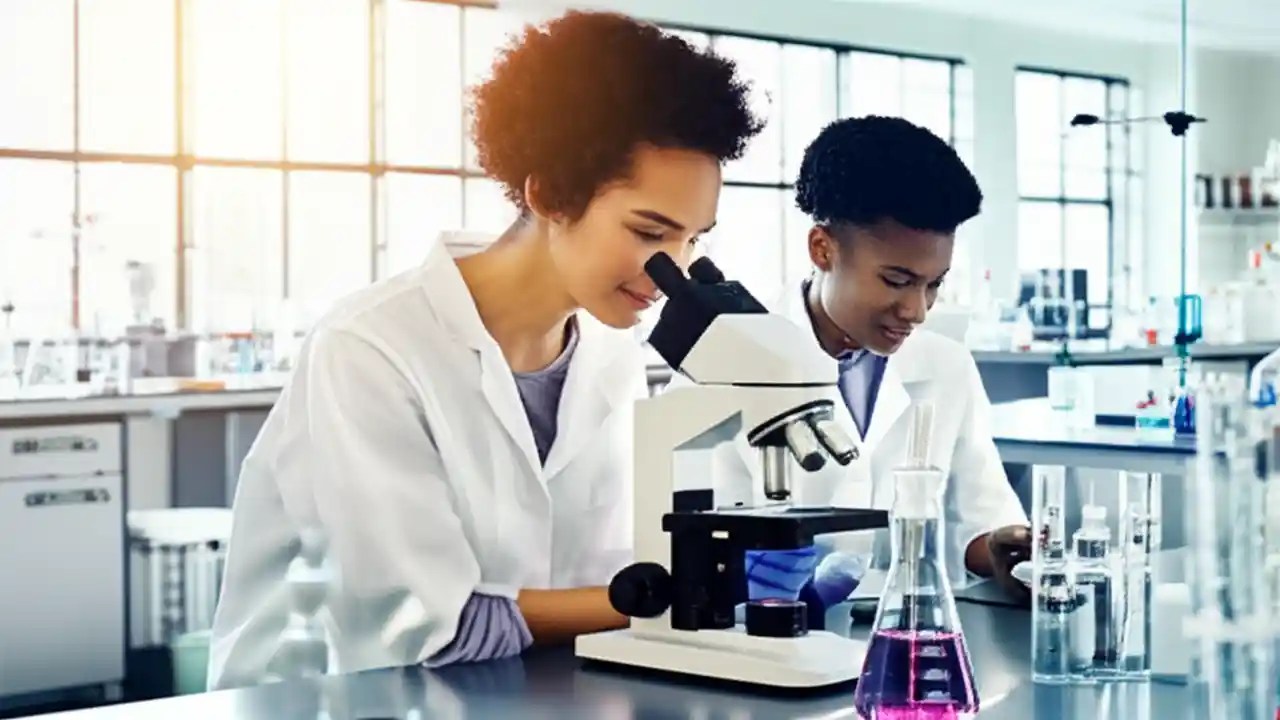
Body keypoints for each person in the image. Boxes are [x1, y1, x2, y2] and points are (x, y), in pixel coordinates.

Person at [207, 11, 762, 690]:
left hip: (521, 691)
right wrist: (682, 592)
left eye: (693, 240)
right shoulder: (371, 350)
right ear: (550, 193)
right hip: (337, 696)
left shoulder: (608, 352)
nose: (670, 269)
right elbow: (440, 627)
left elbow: (597, 577)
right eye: (651, 232)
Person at [720, 116, 1031, 606]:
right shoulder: (727, 358)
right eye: (896, 280)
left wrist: (1007, 553)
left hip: (905, 638)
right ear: (822, 249)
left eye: (934, 284)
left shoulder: (945, 366)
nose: (917, 311)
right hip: (763, 639)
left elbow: (980, 520)